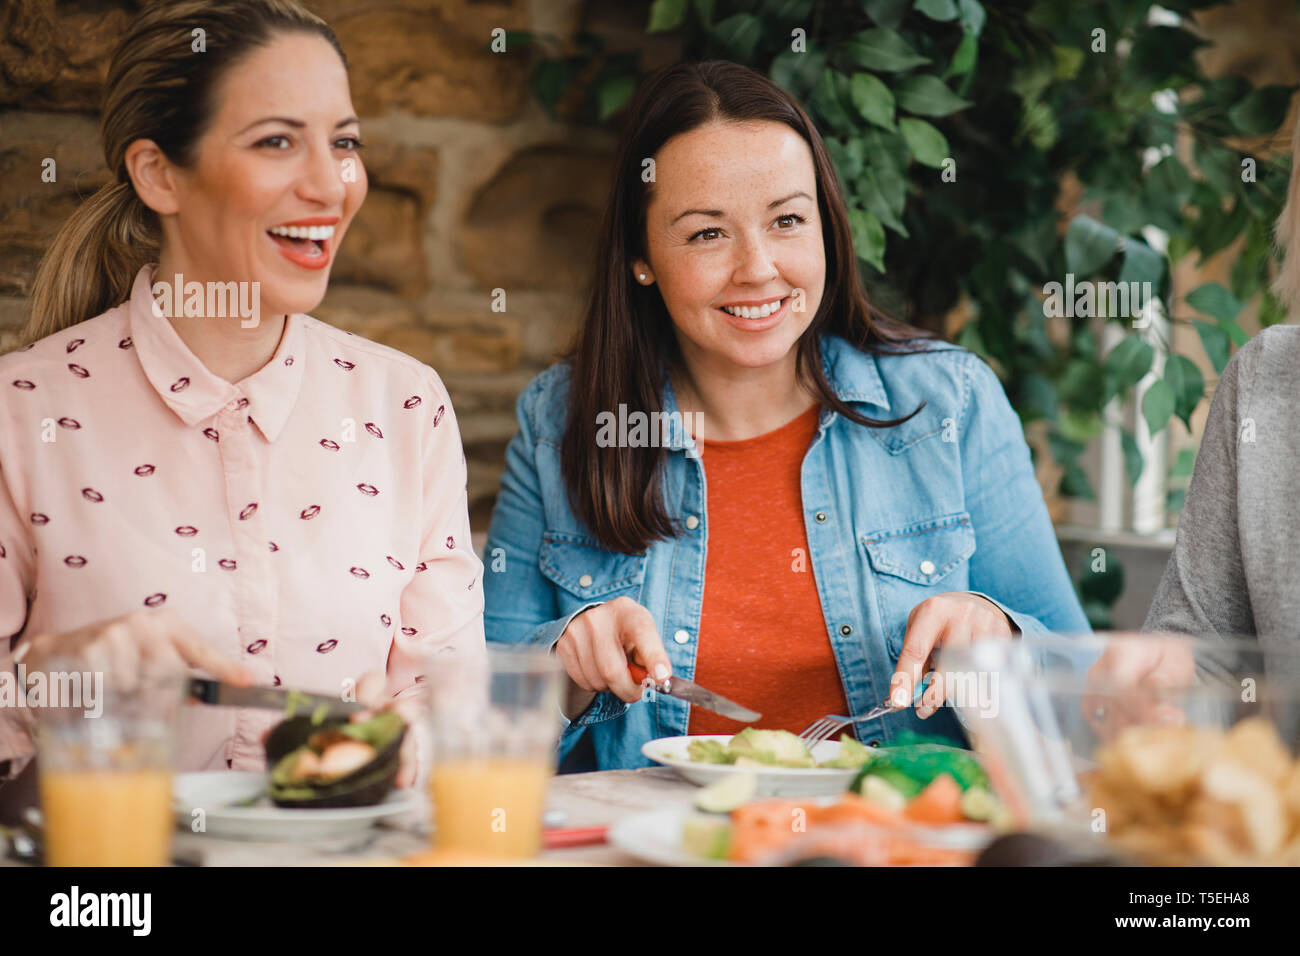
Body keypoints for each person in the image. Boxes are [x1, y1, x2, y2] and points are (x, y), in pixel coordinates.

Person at [484, 60, 1089, 771]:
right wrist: (564, 669)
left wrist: (1003, 640)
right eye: (708, 233)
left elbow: (1085, 705)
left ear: (826, 229)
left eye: (787, 221)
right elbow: (482, 730)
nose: (759, 268)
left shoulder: (947, 403)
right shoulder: (561, 422)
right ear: (640, 256)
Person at [0, 0, 483, 785]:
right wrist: (49, 683)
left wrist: (401, 746)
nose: (332, 184)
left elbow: (454, 704)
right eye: (277, 142)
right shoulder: (18, 412)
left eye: (345, 143)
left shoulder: (407, 407)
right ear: (158, 173)